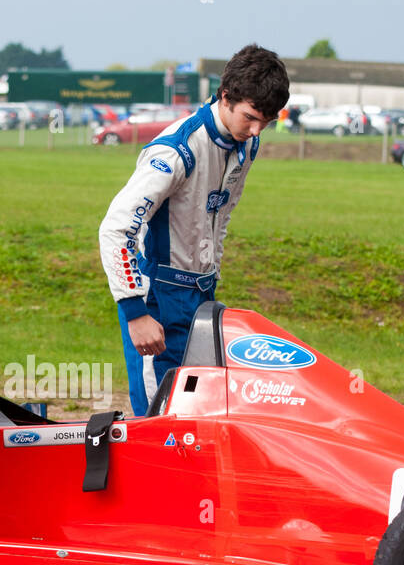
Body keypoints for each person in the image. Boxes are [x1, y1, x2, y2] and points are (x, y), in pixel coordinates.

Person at [98, 44, 289, 416]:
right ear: (225, 96)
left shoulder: (246, 145)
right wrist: (135, 311)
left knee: (198, 413)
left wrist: (210, 273)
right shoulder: (175, 151)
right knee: (159, 417)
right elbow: (115, 229)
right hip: (157, 295)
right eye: (250, 117)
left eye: (267, 122)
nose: (255, 130)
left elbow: (221, 215)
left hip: (203, 293)